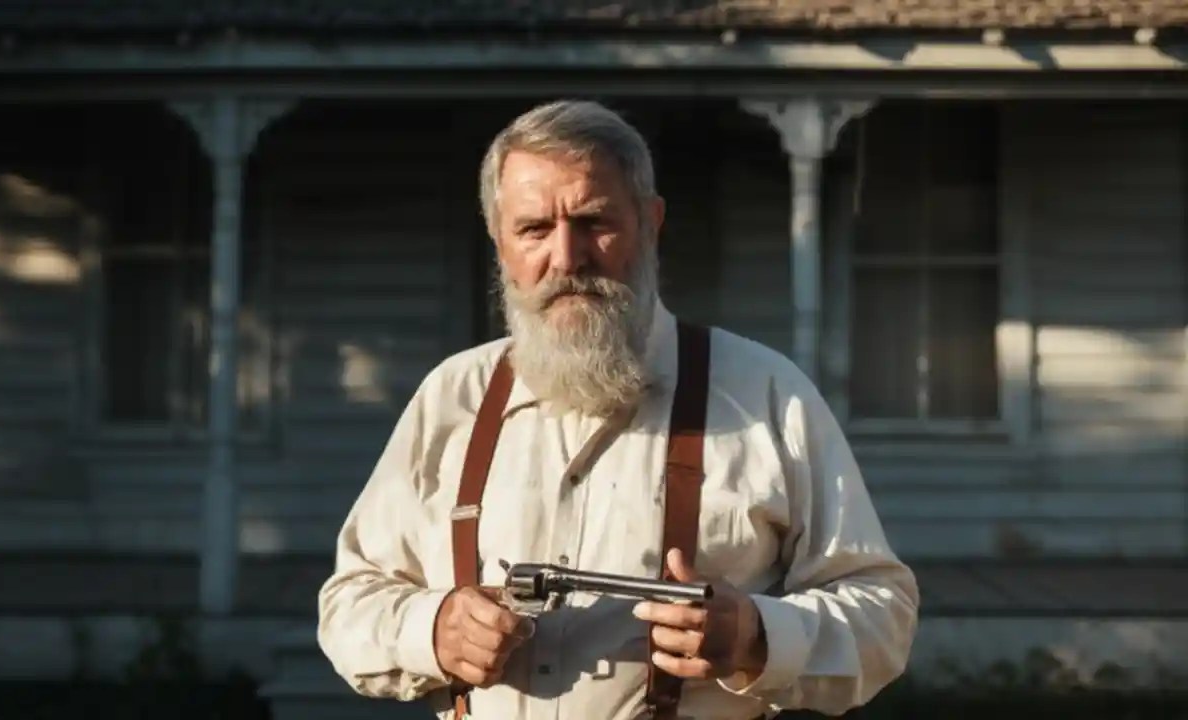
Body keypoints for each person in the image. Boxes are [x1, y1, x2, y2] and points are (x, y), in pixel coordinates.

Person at [317, 99, 919, 720]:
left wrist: (754, 636)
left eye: (594, 221)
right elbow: (348, 604)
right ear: (499, 241)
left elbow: (883, 615)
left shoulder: (765, 392)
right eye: (533, 230)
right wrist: (432, 628)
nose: (568, 257)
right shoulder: (453, 396)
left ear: (650, 223)